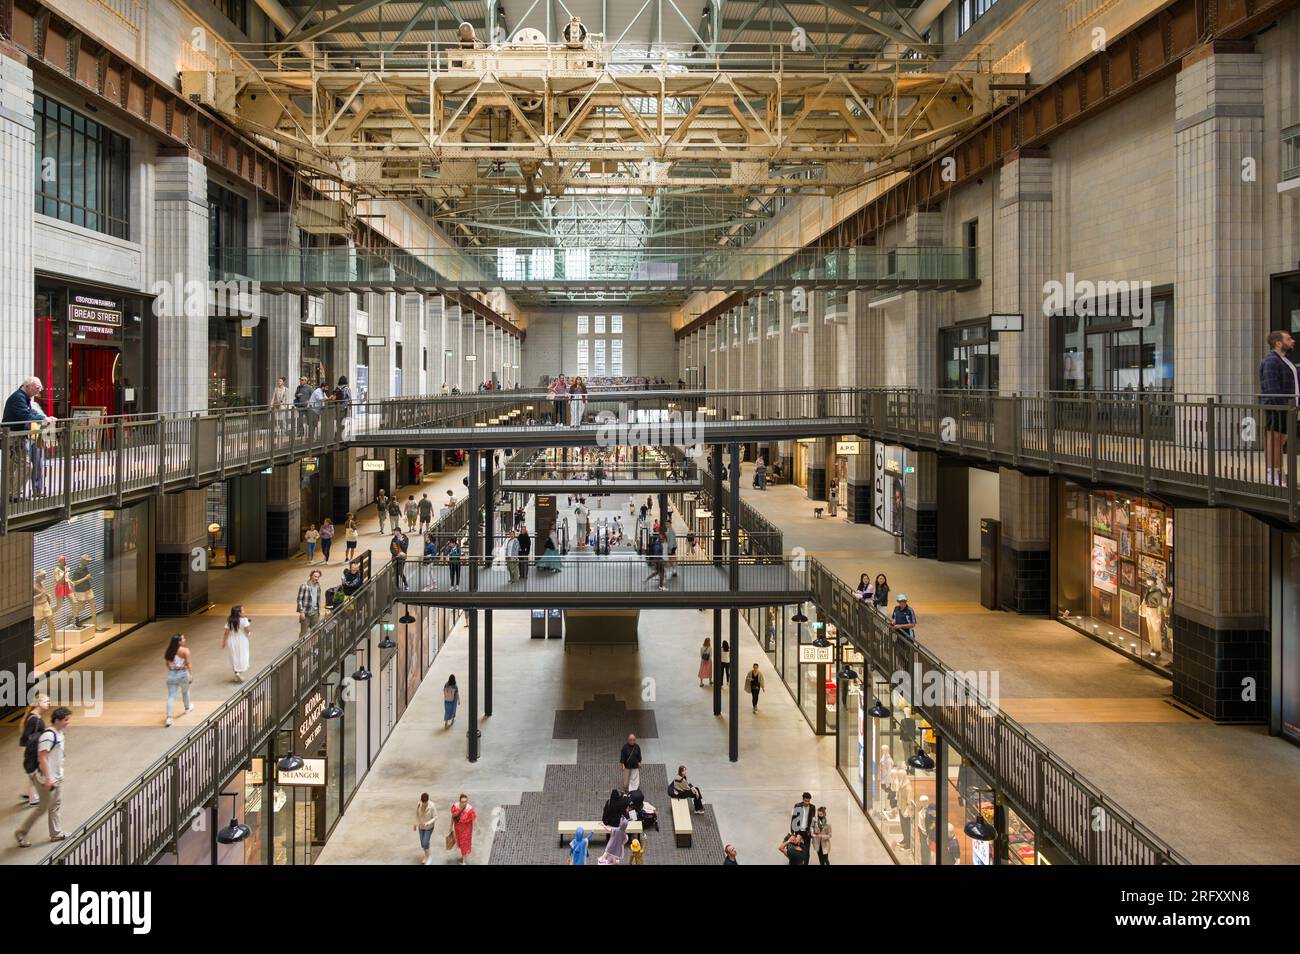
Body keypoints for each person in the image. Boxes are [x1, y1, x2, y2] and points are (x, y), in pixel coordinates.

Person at [14, 705, 71, 847]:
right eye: (65, 719)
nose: (68, 722)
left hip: (56, 777)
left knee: (55, 804)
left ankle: (56, 833)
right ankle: (21, 832)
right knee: (43, 807)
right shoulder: (48, 735)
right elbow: (42, 757)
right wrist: (48, 778)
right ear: (57, 720)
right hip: (46, 779)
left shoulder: (60, 734)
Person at [1260, 330, 1299, 486]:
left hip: (1289, 407)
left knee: (1281, 440)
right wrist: (1280, 407)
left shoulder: (1285, 360)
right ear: (1278, 343)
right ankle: (1272, 474)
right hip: (1278, 406)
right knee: (1274, 440)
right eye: (1288, 339)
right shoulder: (1271, 361)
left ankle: (1279, 472)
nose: (1292, 341)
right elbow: (1271, 387)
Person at [4, 376, 52, 499]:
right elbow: (25, 415)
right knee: (25, 465)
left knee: (12, 467)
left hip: (14, 436)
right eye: (37, 388)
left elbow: (29, 413)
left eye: (40, 388)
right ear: (27, 386)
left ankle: (8, 494)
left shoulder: (23, 397)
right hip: (14, 437)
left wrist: (44, 418)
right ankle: (13, 494)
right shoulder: (19, 397)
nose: (39, 391)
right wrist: (43, 419)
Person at [17, 693, 50, 806]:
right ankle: (33, 798)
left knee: (33, 773)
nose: (48, 704)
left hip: (32, 748)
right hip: (32, 749)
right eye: (46, 702)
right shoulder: (33, 719)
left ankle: (28, 794)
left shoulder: (34, 716)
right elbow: (25, 737)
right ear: (39, 704)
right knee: (34, 774)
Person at [163, 634, 194, 727]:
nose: (185, 639)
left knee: (171, 696)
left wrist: (173, 670)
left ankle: (169, 718)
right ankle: (187, 708)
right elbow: (188, 663)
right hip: (183, 673)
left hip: (171, 674)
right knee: (185, 691)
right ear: (179, 642)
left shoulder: (169, 651)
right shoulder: (185, 650)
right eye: (183, 638)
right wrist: (191, 674)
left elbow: (167, 664)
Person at [69, 556, 104, 631]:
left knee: (93, 607)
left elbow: (88, 576)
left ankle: (95, 626)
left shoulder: (85, 568)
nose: (89, 562)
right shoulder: (76, 571)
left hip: (88, 589)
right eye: (87, 561)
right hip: (81, 591)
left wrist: (90, 578)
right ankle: (72, 616)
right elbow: (74, 583)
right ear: (83, 561)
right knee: (82, 607)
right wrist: (86, 578)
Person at [222, 605, 251, 683]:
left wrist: (224, 642)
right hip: (242, 640)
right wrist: (249, 632)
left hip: (232, 640)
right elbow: (248, 630)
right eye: (243, 610)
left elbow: (226, 633)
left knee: (234, 656)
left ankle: (236, 673)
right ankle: (239, 673)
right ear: (239, 613)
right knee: (242, 655)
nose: (244, 611)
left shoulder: (229, 620)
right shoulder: (244, 620)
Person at [449, 794, 476, 863]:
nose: (464, 803)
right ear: (459, 801)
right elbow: (453, 817)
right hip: (457, 829)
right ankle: (463, 857)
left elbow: (473, 819)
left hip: (466, 830)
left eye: (465, 801)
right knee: (461, 843)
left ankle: (464, 861)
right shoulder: (455, 806)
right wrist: (450, 826)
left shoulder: (469, 809)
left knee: (464, 844)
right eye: (462, 801)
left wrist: (477, 827)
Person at [297, 569, 323, 637]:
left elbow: (318, 599)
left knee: (315, 631)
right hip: (306, 613)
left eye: (318, 577)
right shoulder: (304, 586)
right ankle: (302, 647)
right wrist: (301, 612)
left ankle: (314, 647)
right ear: (311, 576)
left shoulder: (318, 586)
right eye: (315, 576)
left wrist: (319, 609)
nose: (316, 578)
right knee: (303, 632)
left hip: (315, 613)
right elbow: (299, 599)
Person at [415, 793, 438, 864]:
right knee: (423, 844)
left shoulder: (432, 806)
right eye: (423, 802)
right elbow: (417, 815)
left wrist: (429, 822)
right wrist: (415, 824)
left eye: (426, 802)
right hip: (421, 826)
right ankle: (426, 856)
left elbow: (435, 817)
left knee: (425, 842)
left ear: (428, 800)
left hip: (429, 827)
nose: (424, 804)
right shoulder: (419, 804)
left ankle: (430, 857)